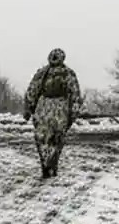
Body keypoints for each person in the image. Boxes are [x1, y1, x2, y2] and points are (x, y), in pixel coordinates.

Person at [23, 48, 82, 179]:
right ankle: (51, 163)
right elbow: (75, 95)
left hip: (43, 108)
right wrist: (73, 114)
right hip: (60, 109)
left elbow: (32, 91)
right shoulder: (68, 73)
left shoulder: (42, 73)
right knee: (57, 138)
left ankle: (46, 163)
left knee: (42, 138)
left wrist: (29, 108)